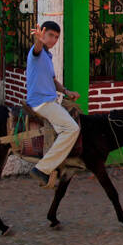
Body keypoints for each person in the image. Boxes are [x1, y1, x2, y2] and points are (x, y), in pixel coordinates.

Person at [25, 21, 81, 188]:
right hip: (42, 102)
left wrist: (66, 91)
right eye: (50, 35)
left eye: (56, 37)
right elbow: (37, 48)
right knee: (72, 129)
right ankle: (43, 169)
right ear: (43, 34)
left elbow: (52, 80)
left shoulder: (48, 57)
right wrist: (39, 40)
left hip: (49, 100)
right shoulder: (37, 52)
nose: (54, 40)